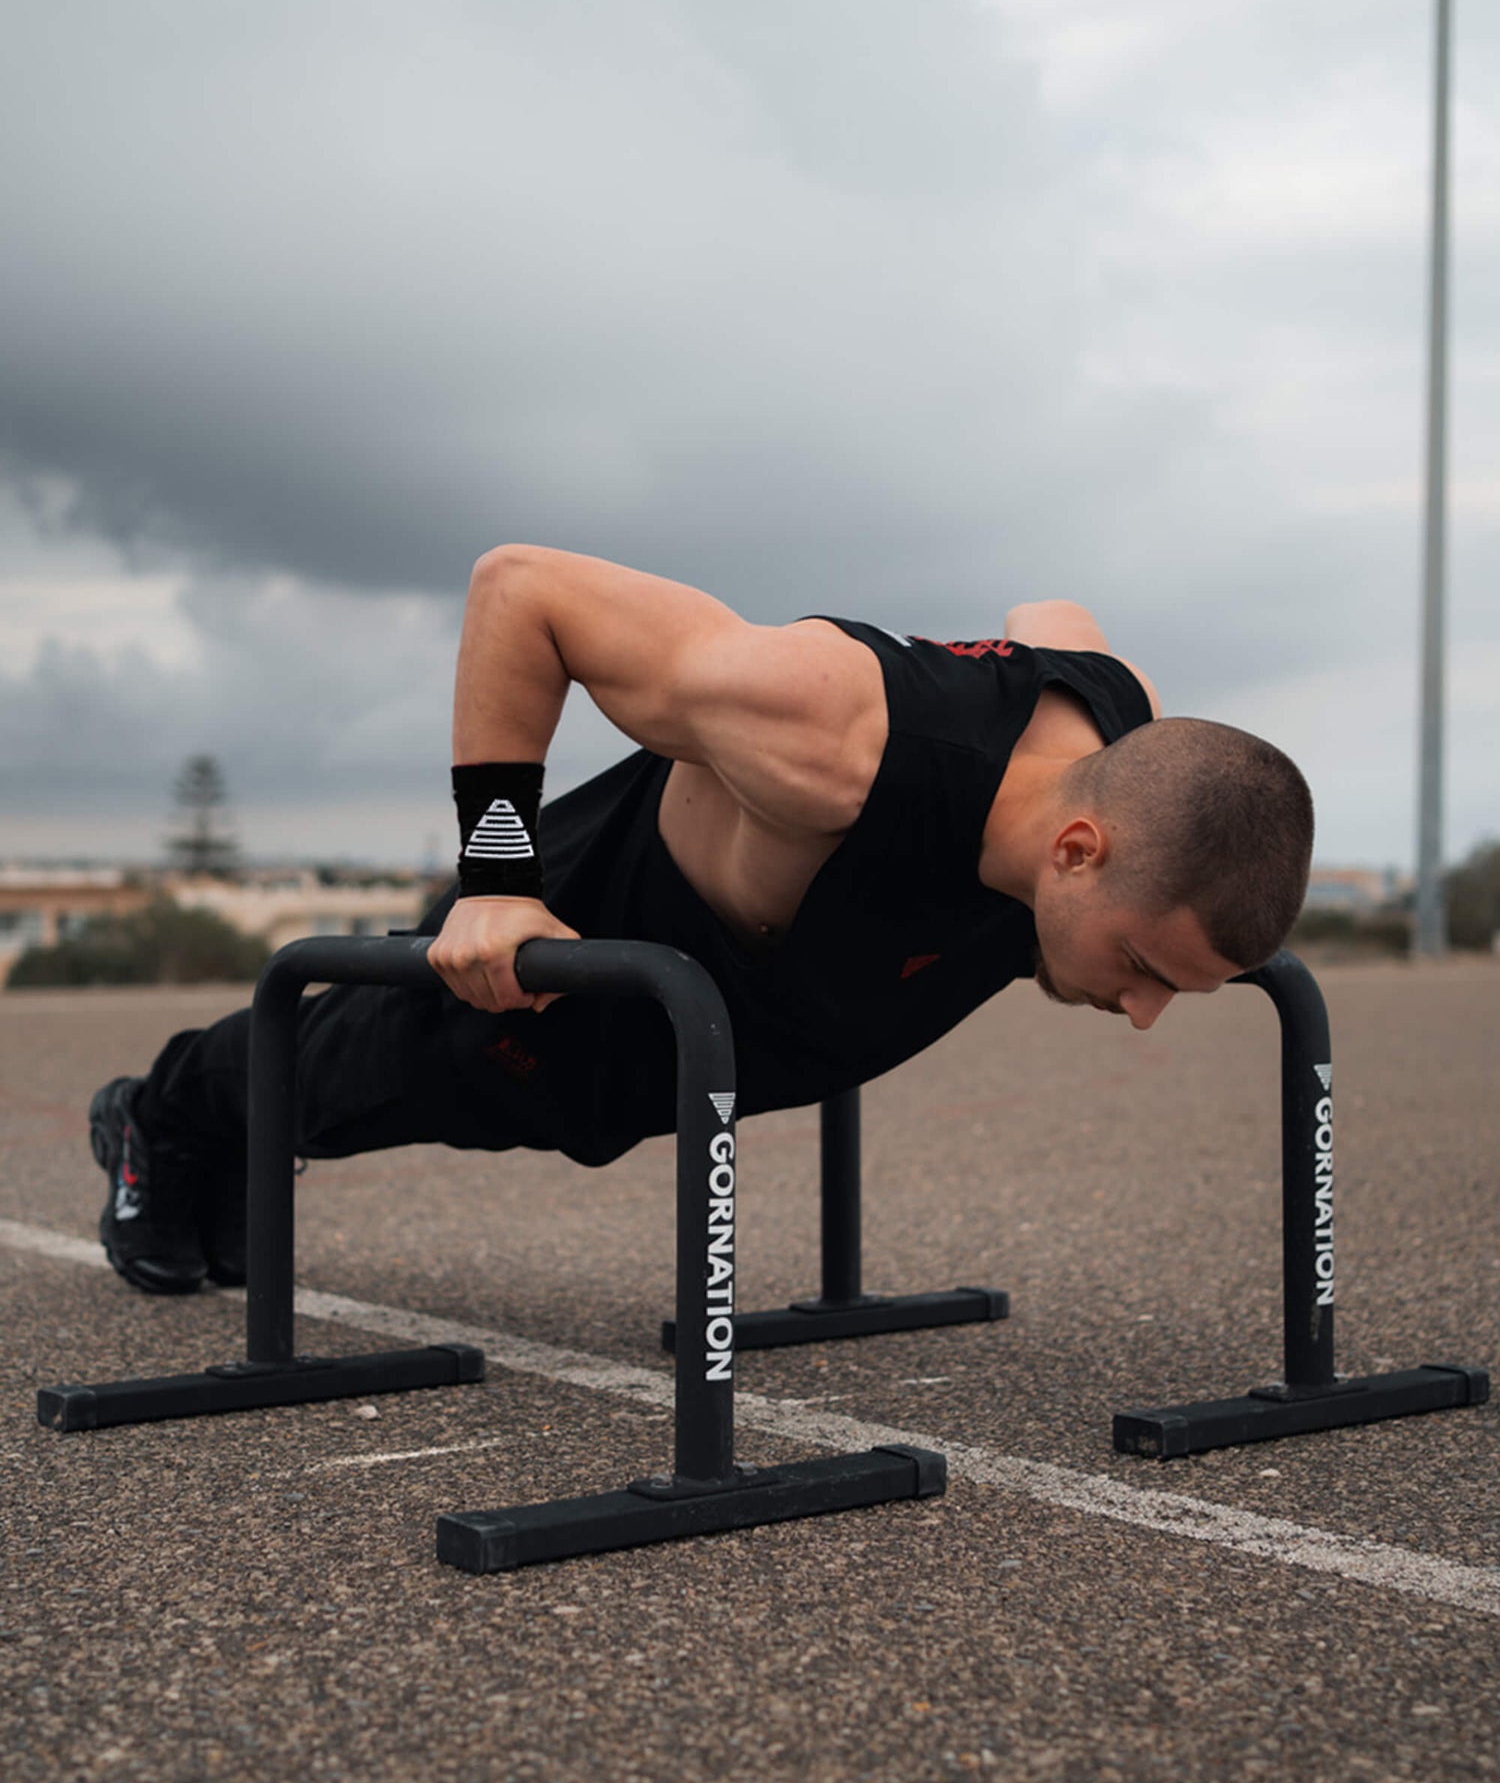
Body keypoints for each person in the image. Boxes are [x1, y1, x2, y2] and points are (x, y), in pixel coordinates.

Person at [88, 544, 1314, 1294]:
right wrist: (497, 879)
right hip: (609, 954)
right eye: (1149, 968)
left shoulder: (1121, 741)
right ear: (1077, 846)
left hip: (799, 995)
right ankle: (165, 1119)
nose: (1145, 1014)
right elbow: (524, 590)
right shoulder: (829, 732)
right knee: (352, 1079)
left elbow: (1059, 616)